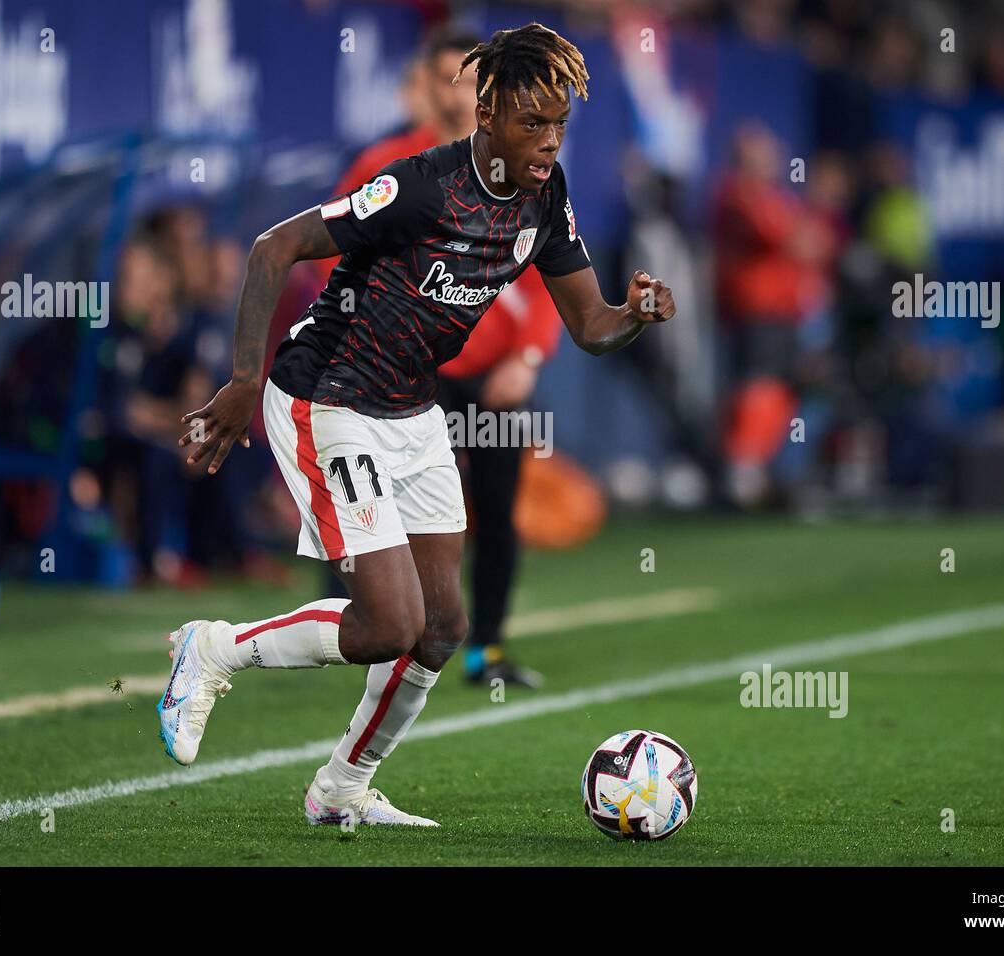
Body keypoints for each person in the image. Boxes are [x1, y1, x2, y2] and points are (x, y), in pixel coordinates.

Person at [157, 23, 676, 828]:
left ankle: (341, 790)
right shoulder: (420, 188)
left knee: (441, 630)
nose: (548, 141)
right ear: (489, 112)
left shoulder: (546, 194)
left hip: (411, 408)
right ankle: (214, 649)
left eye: (559, 125)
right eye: (533, 122)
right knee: (385, 625)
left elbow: (591, 326)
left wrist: (636, 314)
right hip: (325, 397)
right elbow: (272, 247)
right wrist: (240, 379)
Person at [313, 24, 560, 689]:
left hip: (495, 379)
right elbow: (328, 250)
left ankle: (489, 651)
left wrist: (529, 357)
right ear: (424, 86)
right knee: (374, 501)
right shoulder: (391, 164)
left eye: (474, 82)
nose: (461, 97)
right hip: (410, 374)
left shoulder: (521, 165)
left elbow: (549, 279)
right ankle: (354, 628)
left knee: (497, 511)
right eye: (449, 81)